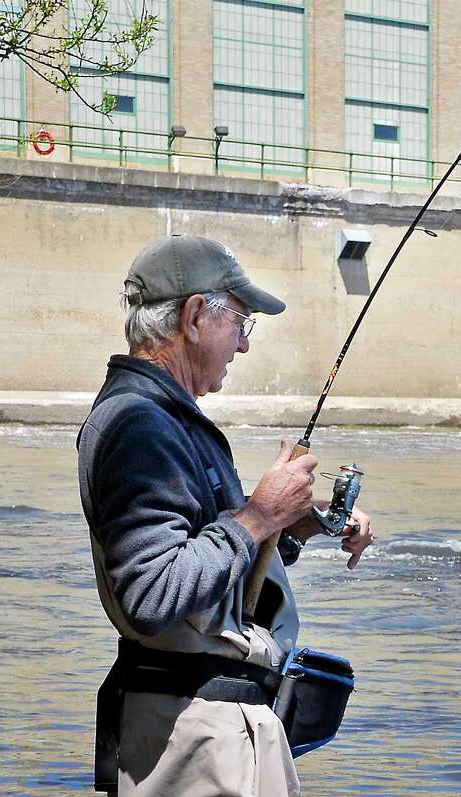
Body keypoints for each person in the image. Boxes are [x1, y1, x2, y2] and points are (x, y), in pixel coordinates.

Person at [77, 235, 375, 796]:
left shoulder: (166, 420)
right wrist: (259, 515)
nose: (242, 345)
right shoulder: (139, 426)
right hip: (191, 741)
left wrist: (294, 527)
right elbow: (153, 593)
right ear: (193, 316)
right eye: (240, 322)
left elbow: (206, 566)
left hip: (210, 731)